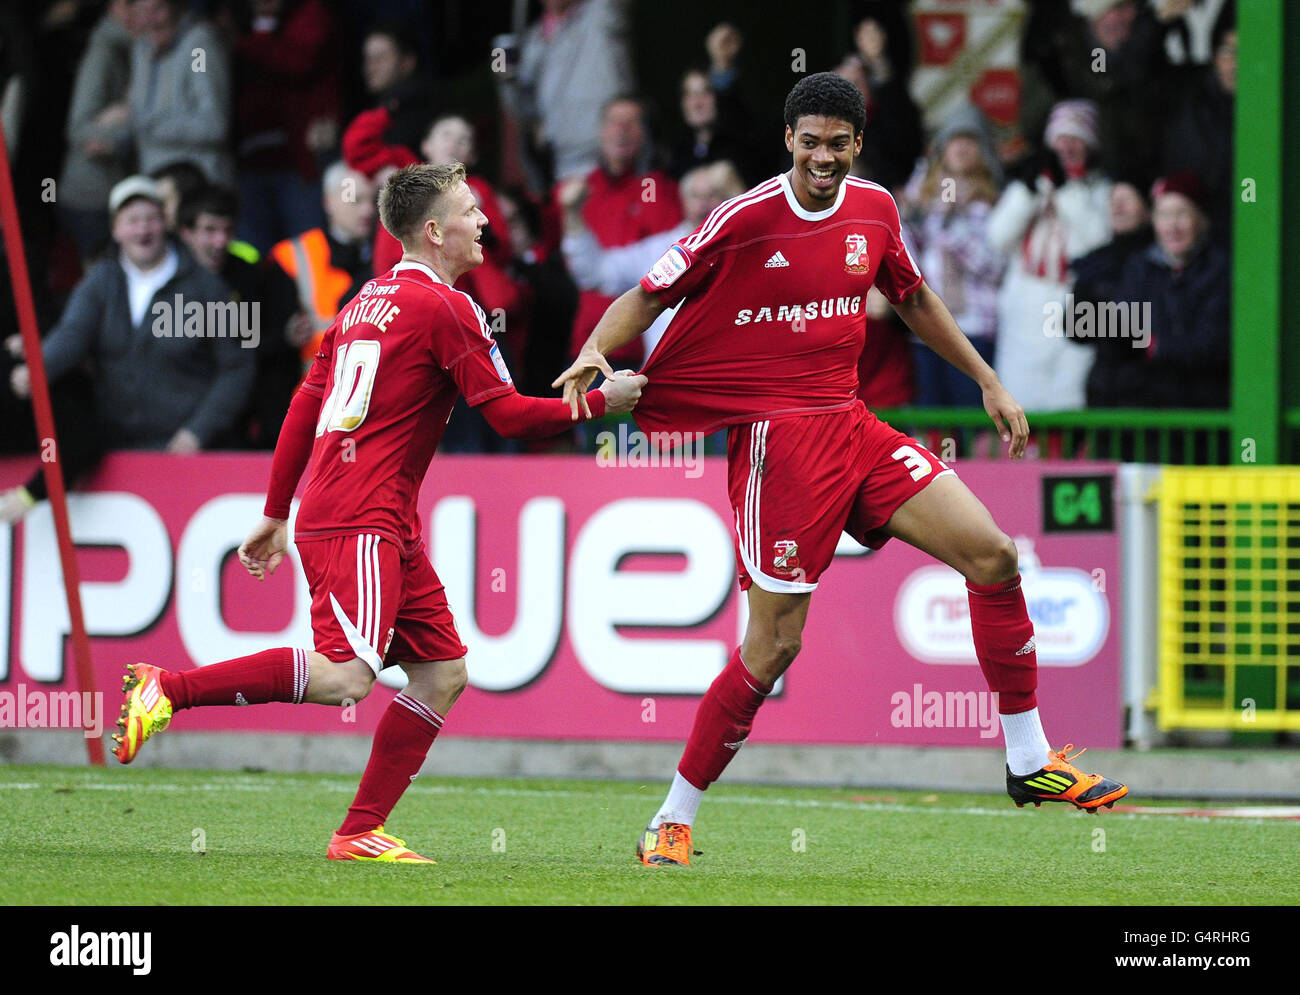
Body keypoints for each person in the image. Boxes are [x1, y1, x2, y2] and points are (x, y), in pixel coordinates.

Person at [553, 73, 1128, 868]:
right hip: (776, 447)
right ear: (788, 140)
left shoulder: (877, 207)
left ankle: (1028, 762)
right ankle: (672, 816)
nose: (823, 156)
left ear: (856, 144)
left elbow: (916, 298)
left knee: (994, 556)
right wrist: (593, 352)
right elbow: (647, 295)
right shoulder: (745, 216)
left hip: (851, 424)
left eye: (838, 143)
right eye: (810, 141)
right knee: (773, 648)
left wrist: (988, 380)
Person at [110, 162, 648, 863]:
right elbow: (511, 418)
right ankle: (168, 689)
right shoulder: (448, 309)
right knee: (346, 676)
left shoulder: (367, 300)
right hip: (360, 514)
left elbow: (308, 400)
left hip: (373, 513)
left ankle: (359, 830)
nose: (484, 221)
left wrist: (277, 510)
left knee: (443, 670)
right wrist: (605, 403)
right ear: (433, 230)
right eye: (470, 210)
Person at [8, 175, 253, 455]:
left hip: (187, 451)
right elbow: (72, 334)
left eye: (151, 218)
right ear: (115, 229)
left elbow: (237, 367)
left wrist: (197, 433)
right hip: (116, 450)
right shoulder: (100, 281)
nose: (142, 229)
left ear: (166, 224)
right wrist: (37, 371)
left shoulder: (208, 287)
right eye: (132, 220)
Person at [988, 100, 1111, 411]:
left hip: (1073, 308)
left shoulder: (1101, 190)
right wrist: (1028, 192)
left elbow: (1096, 244)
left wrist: (1068, 192)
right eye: (1061, 138)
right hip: (1025, 309)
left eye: (1076, 139)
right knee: (1019, 401)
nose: (1067, 147)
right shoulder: (1032, 184)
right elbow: (997, 238)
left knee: (1067, 401)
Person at [270, 161, 376, 366]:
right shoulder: (293, 255)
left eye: (372, 200)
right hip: (312, 388)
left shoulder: (388, 255)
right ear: (328, 202)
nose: (367, 211)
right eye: (356, 200)